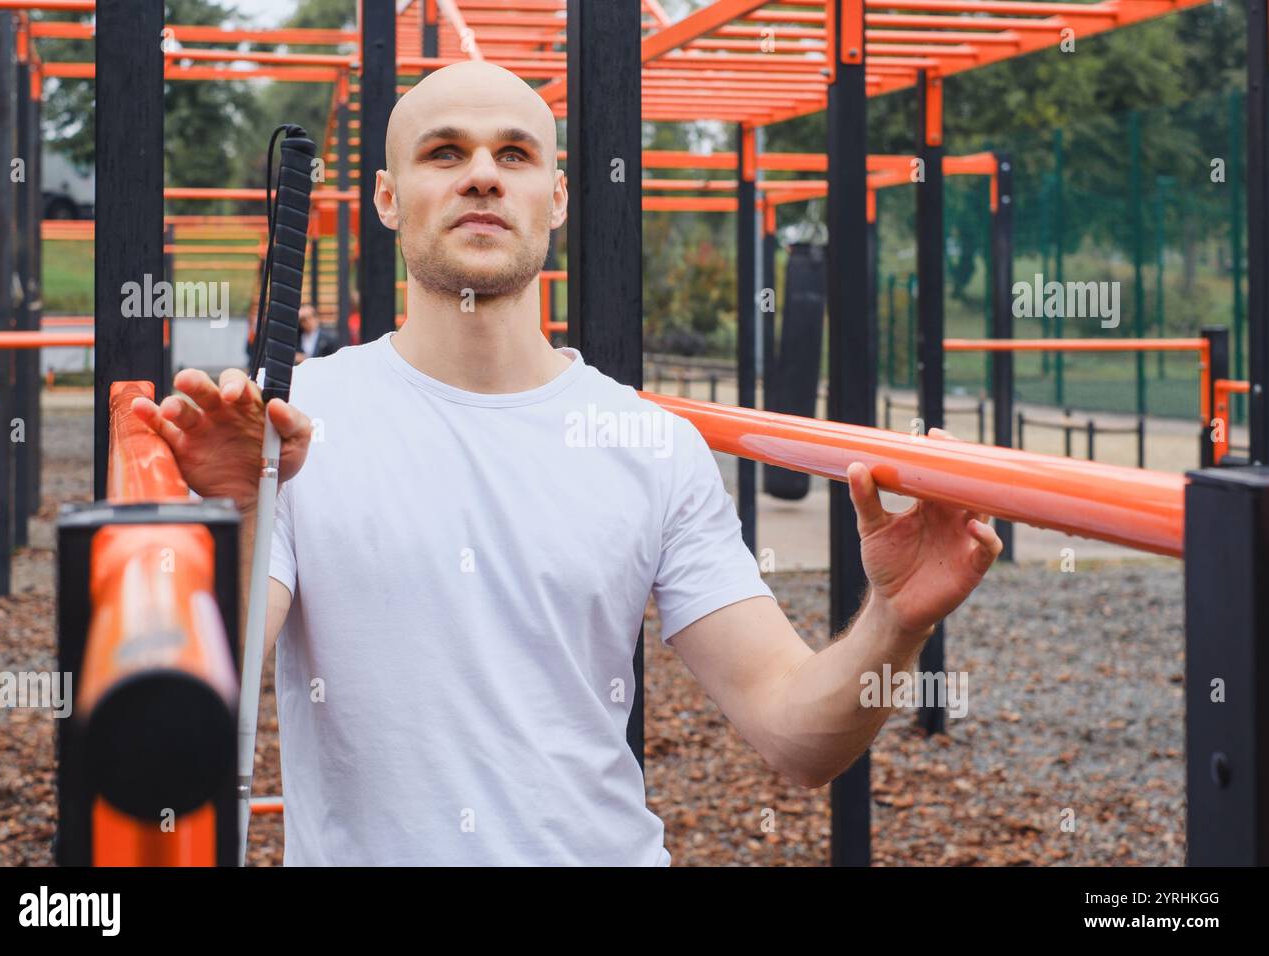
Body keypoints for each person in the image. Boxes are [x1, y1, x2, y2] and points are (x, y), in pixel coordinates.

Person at [130, 61, 1001, 866]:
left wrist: (895, 621)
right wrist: (244, 511)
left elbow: (793, 734)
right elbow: (206, 711)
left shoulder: (647, 443)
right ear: (388, 199)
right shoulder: (294, 425)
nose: (482, 174)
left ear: (554, 198)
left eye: (513, 152)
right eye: (446, 152)